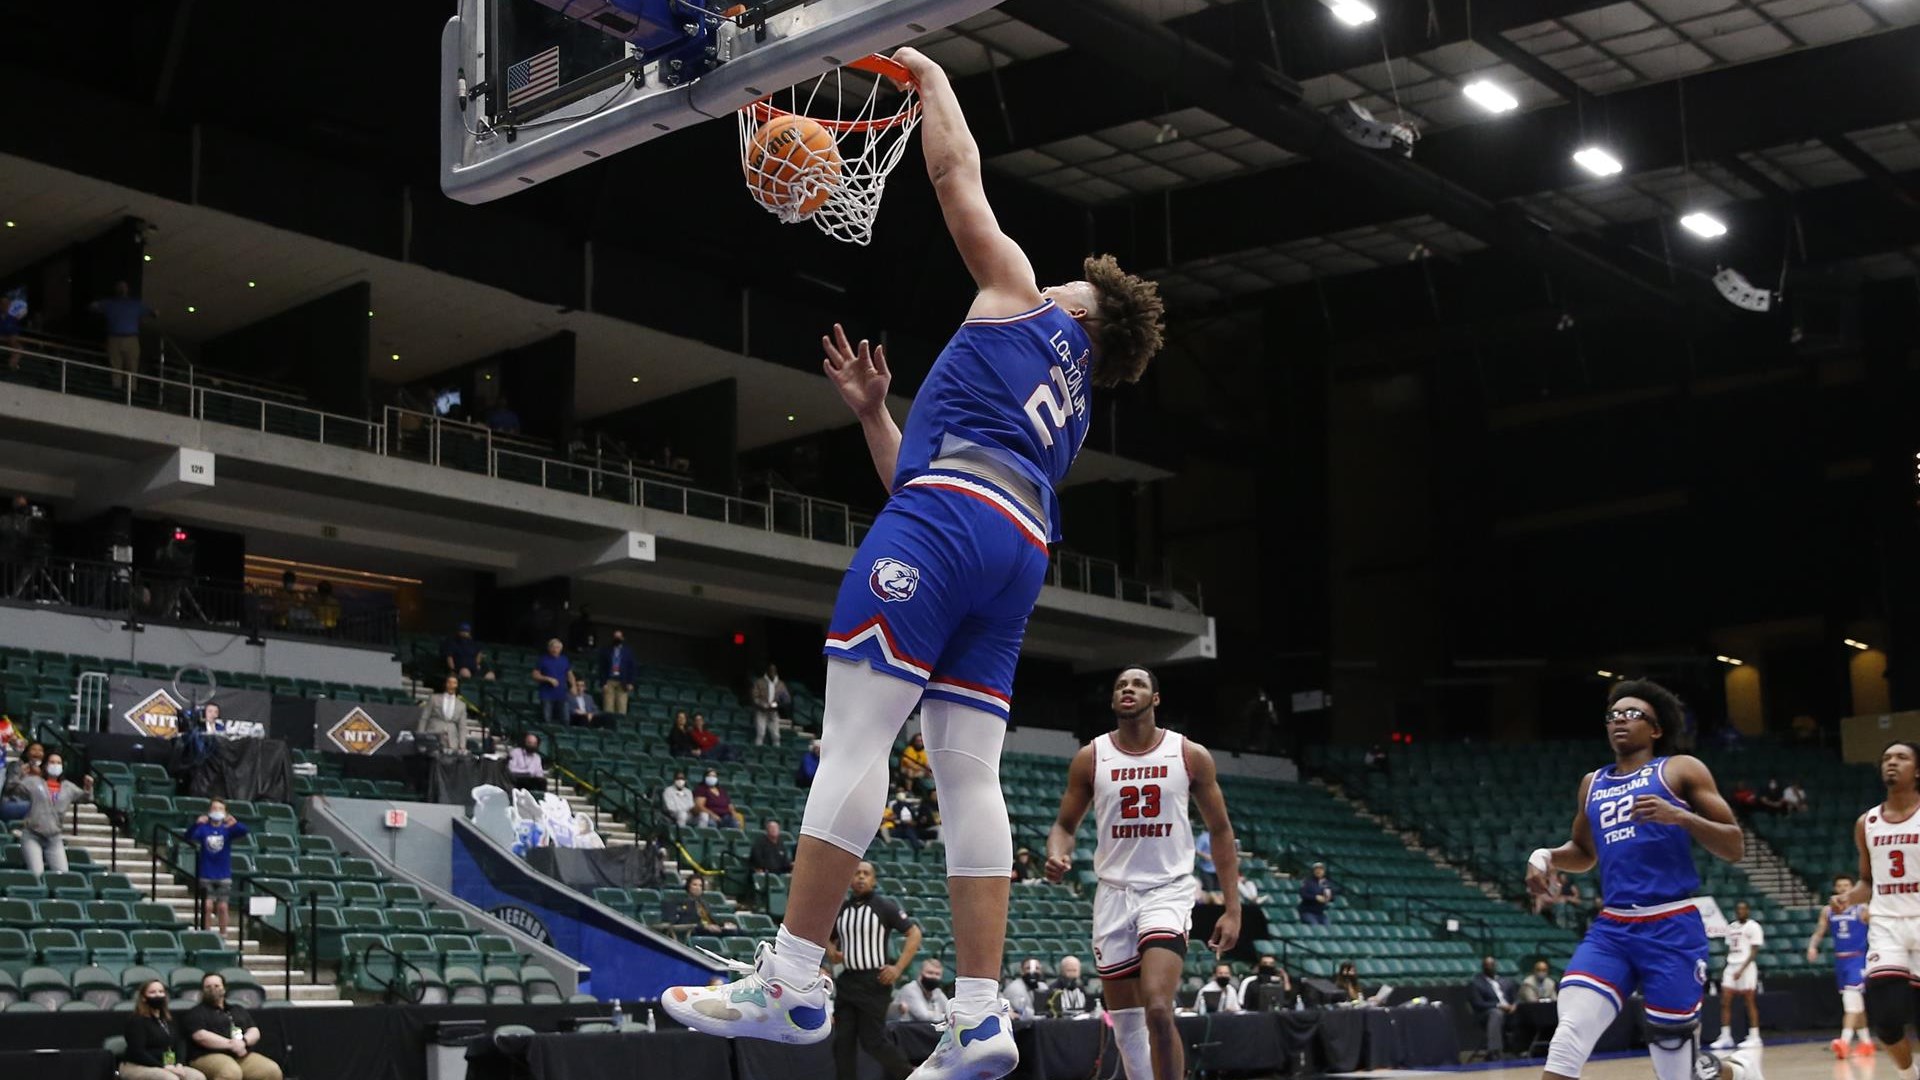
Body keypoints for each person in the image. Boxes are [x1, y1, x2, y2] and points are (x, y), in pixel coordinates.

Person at [661, 45, 1167, 1080]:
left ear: (1085, 305)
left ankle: (793, 977)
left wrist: (930, 83)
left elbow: (951, 178)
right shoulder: (1067, 421)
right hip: (1015, 548)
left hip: (946, 528)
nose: (1061, 272)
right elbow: (928, 480)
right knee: (968, 770)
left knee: (855, 738)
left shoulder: (1028, 296)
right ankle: (983, 1016)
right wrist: (872, 415)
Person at [1525, 679, 1744, 1080]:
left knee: (1677, 1068)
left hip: (1671, 924)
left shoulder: (1679, 769)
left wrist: (1681, 816)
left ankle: (1732, 1074)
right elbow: (1584, 853)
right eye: (1612, 715)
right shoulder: (1592, 784)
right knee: (1569, 1034)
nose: (1619, 721)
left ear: (1656, 730)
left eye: (1632, 714)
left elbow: (1735, 846)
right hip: (1614, 928)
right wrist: (1544, 857)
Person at [1044, 667, 1240, 1080]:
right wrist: (1058, 854)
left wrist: (1232, 908)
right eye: (1119, 685)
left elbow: (1220, 831)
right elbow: (1064, 826)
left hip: (1166, 891)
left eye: (1137, 684)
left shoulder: (1188, 755)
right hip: (1113, 893)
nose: (1127, 689)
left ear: (1155, 699)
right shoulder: (1091, 757)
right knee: (1129, 1026)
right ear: (1113, 700)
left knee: (1156, 1006)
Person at [1827, 741, 1920, 1080]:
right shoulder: (1866, 823)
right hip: (1886, 925)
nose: (1891, 763)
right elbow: (1868, 880)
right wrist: (1849, 898)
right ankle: (1909, 1074)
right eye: (1886, 758)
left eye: (1901, 757)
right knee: (1887, 1018)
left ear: (1918, 770)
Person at [825, 862, 922, 1080]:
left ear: (874, 880)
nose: (860, 877)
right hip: (848, 981)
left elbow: (914, 934)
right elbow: (827, 939)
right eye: (856, 873)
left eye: (866, 874)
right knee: (842, 1043)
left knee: (873, 1041)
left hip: (874, 981)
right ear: (850, 880)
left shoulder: (884, 906)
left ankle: (911, 1074)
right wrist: (831, 950)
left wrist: (897, 968)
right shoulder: (842, 910)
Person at [1806, 874, 1871, 1058]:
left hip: (1857, 959)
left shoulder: (1862, 909)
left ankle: (1844, 1042)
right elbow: (1819, 932)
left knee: (1850, 1002)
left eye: (1846, 885)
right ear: (1835, 889)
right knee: (1856, 1004)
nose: (1843, 889)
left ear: (1853, 888)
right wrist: (1812, 947)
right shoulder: (1828, 911)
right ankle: (1866, 1043)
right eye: (1839, 886)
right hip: (1840, 960)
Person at [3, 749, 93, 877]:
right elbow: (13, 789)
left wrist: (88, 787)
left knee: (62, 874)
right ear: (45, 765)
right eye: (52, 762)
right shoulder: (34, 782)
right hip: (32, 835)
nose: (55, 765)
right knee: (36, 873)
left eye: (58, 762)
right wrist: (18, 775)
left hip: (54, 837)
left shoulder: (68, 787)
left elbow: (86, 798)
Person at [182, 972, 281, 1080]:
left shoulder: (237, 1009)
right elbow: (200, 1036)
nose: (212, 989)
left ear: (224, 989)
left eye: (216, 986)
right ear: (202, 991)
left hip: (240, 1053)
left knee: (271, 1070)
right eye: (208, 987)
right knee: (231, 1072)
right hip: (206, 1055)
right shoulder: (196, 1012)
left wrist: (244, 1042)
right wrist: (231, 1045)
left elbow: (254, 1030)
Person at [120, 978, 206, 1080]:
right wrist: (163, 1067)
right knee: (170, 1078)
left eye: (161, 992)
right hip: (137, 1065)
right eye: (152, 992)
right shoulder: (136, 1021)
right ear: (143, 997)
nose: (158, 995)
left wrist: (179, 1064)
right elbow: (138, 1052)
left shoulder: (167, 1020)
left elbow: (179, 1043)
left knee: (198, 1077)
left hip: (168, 1064)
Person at [186, 800, 249, 939]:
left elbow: (244, 831)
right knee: (207, 906)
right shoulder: (204, 829)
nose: (217, 811)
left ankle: (223, 934)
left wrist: (235, 823)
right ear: (209, 811)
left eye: (221, 809)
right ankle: (207, 934)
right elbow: (189, 836)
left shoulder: (227, 829)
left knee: (222, 907)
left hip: (223, 874)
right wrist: (196, 823)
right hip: (206, 873)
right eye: (215, 808)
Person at [1711, 900, 1764, 1049]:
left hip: (1746, 966)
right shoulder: (1731, 927)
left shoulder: (1753, 927)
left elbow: (1754, 951)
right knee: (1725, 1001)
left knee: (1749, 1001)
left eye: (1743, 909)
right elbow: (1730, 949)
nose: (1740, 912)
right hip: (1732, 965)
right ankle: (1726, 1035)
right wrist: (1728, 966)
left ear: (1748, 911)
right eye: (1738, 909)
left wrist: (1742, 969)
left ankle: (1754, 1036)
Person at [89, 281, 155, 390]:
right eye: (120, 287)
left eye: (123, 287)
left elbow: (152, 312)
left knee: (132, 366)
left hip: (129, 338)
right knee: (116, 365)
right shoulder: (110, 303)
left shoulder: (133, 304)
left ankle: (131, 391)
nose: (122, 289)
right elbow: (93, 306)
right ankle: (117, 388)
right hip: (115, 338)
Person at [1470, 956, 1518, 1060]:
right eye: (1487, 965)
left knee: (1526, 1010)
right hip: (1486, 1014)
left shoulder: (1505, 981)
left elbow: (1516, 998)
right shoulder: (1476, 983)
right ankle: (1494, 1052)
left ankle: (1525, 1049)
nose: (1490, 967)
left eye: (1492, 965)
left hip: (1509, 1011)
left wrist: (1514, 1005)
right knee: (1496, 1013)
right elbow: (1478, 1003)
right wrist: (1498, 1005)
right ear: (1483, 967)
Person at [417, 675, 473, 753]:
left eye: (454, 683)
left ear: (457, 685)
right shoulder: (434, 699)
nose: (451, 685)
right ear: (445, 684)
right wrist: (420, 739)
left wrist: (462, 746)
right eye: (449, 682)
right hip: (434, 736)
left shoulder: (461, 705)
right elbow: (424, 718)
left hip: (452, 741)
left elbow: (462, 727)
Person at [662, 876, 735, 935]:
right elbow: (684, 921)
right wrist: (705, 926)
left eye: (700, 885)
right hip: (699, 930)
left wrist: (723, 924)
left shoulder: (704, 903)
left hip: (712, 928)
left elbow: (710, 919)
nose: (698, 888)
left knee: (738, 931)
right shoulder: (681, 902)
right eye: (695, 885)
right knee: (732, 933)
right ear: (688, 886)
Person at [531, 639, 571, 726]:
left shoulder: (564, 660)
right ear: (549, 648)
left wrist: (573, 686)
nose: (555, 649)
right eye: (553, 647)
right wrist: (548, 679)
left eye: (558, 647)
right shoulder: (543, 659)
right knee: (546, 719)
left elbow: (569, 674)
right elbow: (535, 675)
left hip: (562, 694)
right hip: (547, 694)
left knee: (566, 720)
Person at [598, 630, 637, 717]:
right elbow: (602, 667)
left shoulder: (628, 651)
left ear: (622, 638)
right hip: (609, 680)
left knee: (622, 708)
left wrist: (631, 682)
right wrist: (603, 682)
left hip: (623, 682)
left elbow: (632, 668)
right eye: (615, 636)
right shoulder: (606, 650)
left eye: (619, 637)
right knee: (608, 708)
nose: (617, 639)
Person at [751, 663, 790, 746]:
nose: (772, 672)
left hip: (773, 712)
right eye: (770, 670)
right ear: (767, 671)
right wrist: (762, 704)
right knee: (761, 733)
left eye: (774, 670)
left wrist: (778, 704)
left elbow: (786, 699)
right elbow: (755, 697)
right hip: (761, 711)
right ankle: (758, 750)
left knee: (776, 735)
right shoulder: (759, 682)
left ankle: (776, 752)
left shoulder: (780, 684)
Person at [887, 786, 924, 851]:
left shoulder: (908, 805)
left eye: (902, 792)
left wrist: (913, 822)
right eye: (899, 792)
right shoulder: (893, 805)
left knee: (910, 829)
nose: (901, 794)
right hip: (897, 828)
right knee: (908, 829)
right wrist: (902, 821)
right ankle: (917, 847)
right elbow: (893, 818)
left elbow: (914, 819)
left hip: (910, 827)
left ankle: (918, 846)